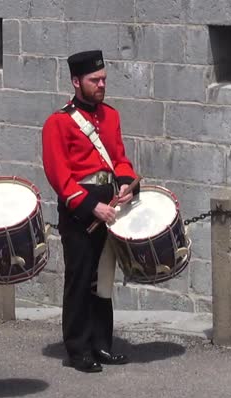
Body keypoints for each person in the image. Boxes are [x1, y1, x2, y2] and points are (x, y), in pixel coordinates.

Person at [41, 50, 138, 373]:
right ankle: (78, 348)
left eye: (103, 79)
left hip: (111, 202)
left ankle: (102, 343)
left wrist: (126, 183)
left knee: (104, 277)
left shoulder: (111, 116)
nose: (101, 85)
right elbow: (59, 175)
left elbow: (119, 159)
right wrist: (90, 206)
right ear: (76, 81)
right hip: (81, 208)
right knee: (81, 278)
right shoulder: (59, 122)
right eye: (94, 80)